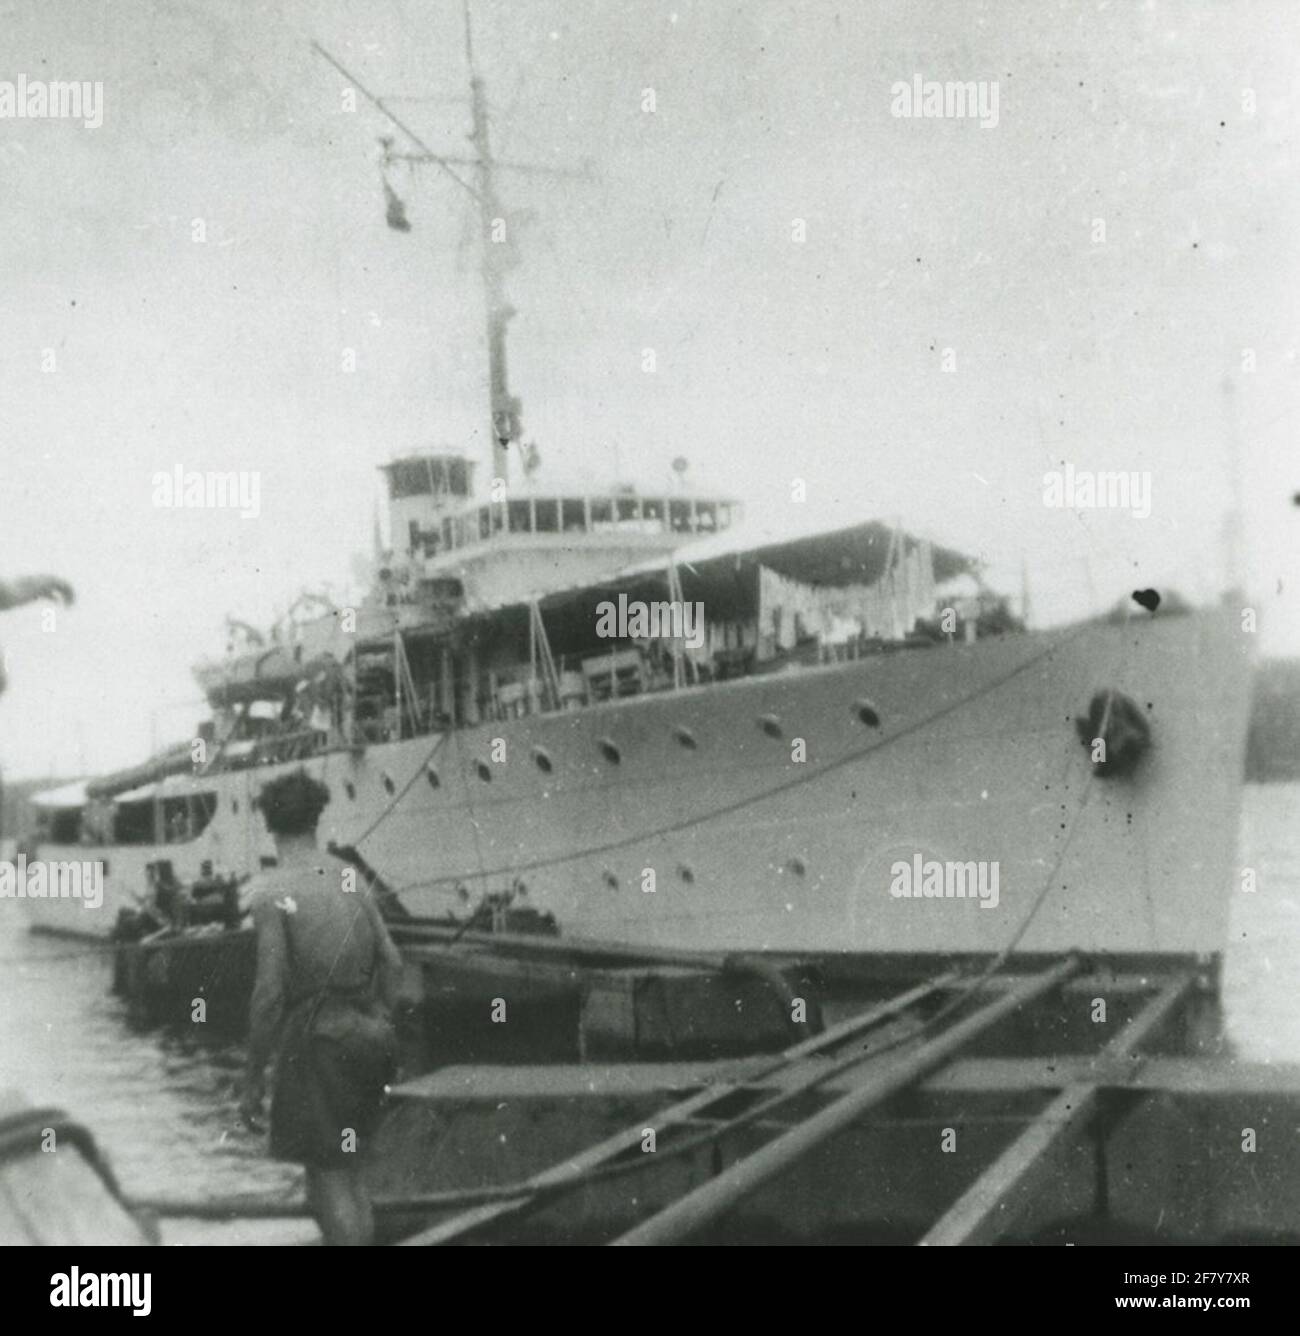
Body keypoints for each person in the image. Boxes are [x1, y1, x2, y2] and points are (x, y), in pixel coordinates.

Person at [238, 768, 403, 1245]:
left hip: (318, 1044)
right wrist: (378, 1021)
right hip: (371, 1035)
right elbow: (392, 962)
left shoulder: (271, 890)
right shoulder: (348, 875)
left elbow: (269, 995)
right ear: (317, 817)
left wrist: (253, 1078)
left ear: (269, 824)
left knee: (328, 1179)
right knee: (350, 1174)